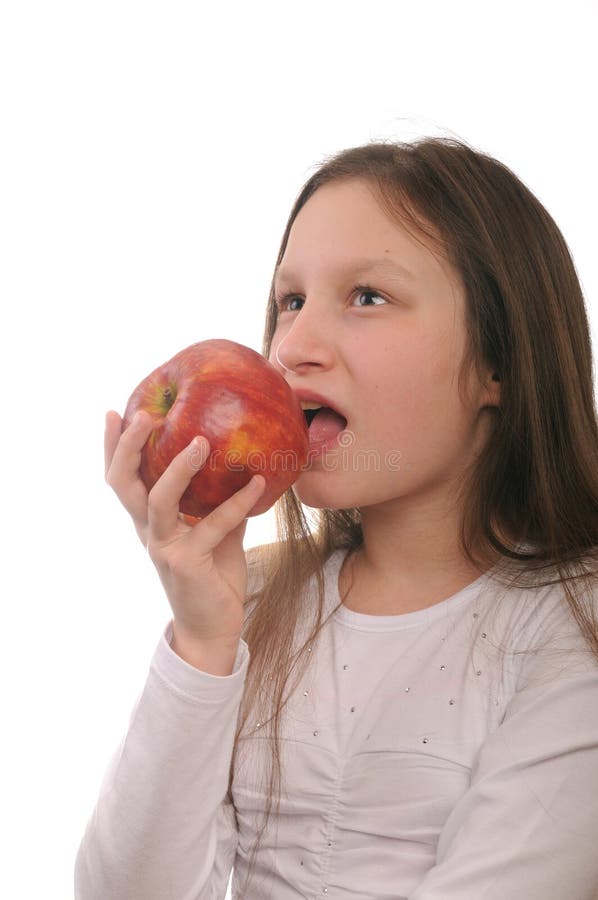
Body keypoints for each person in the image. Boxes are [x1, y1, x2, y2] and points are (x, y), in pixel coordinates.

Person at [75, 137, 598, 900]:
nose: (292, 348)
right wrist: (201, 642)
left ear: (500, 362)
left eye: (367, 297)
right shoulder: (257, 602)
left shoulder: (574, 627)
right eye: (290, 302)